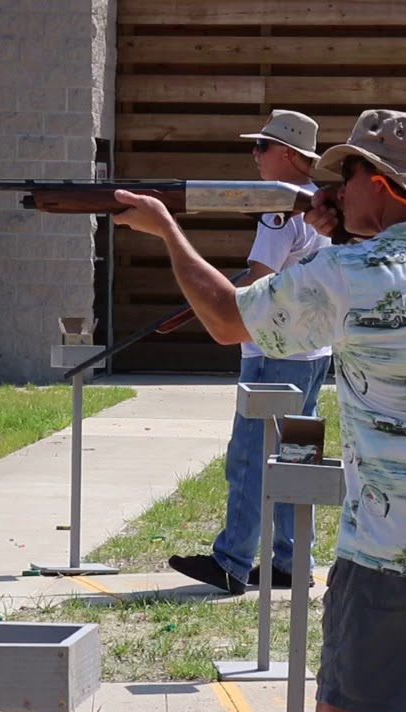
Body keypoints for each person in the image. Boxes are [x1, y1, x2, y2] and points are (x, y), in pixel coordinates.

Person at [112, 109, 406, 712]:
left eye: (343, 178)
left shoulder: (343, 274)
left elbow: (224, 318)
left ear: (377, 182)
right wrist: (350, 231)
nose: (333, 192)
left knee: (346, 711)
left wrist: (166, 229)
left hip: (395, 539)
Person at [165, 110, 333, 595]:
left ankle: (232, 561)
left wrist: (215, 303)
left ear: (285, 154)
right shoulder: (318, 208)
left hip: (272, 352)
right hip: (310, 351)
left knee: (249, 458)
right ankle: (291, 563)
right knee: (296, 458)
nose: (254, 156)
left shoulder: (278, 209)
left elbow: (261, 279)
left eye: (261, 147)